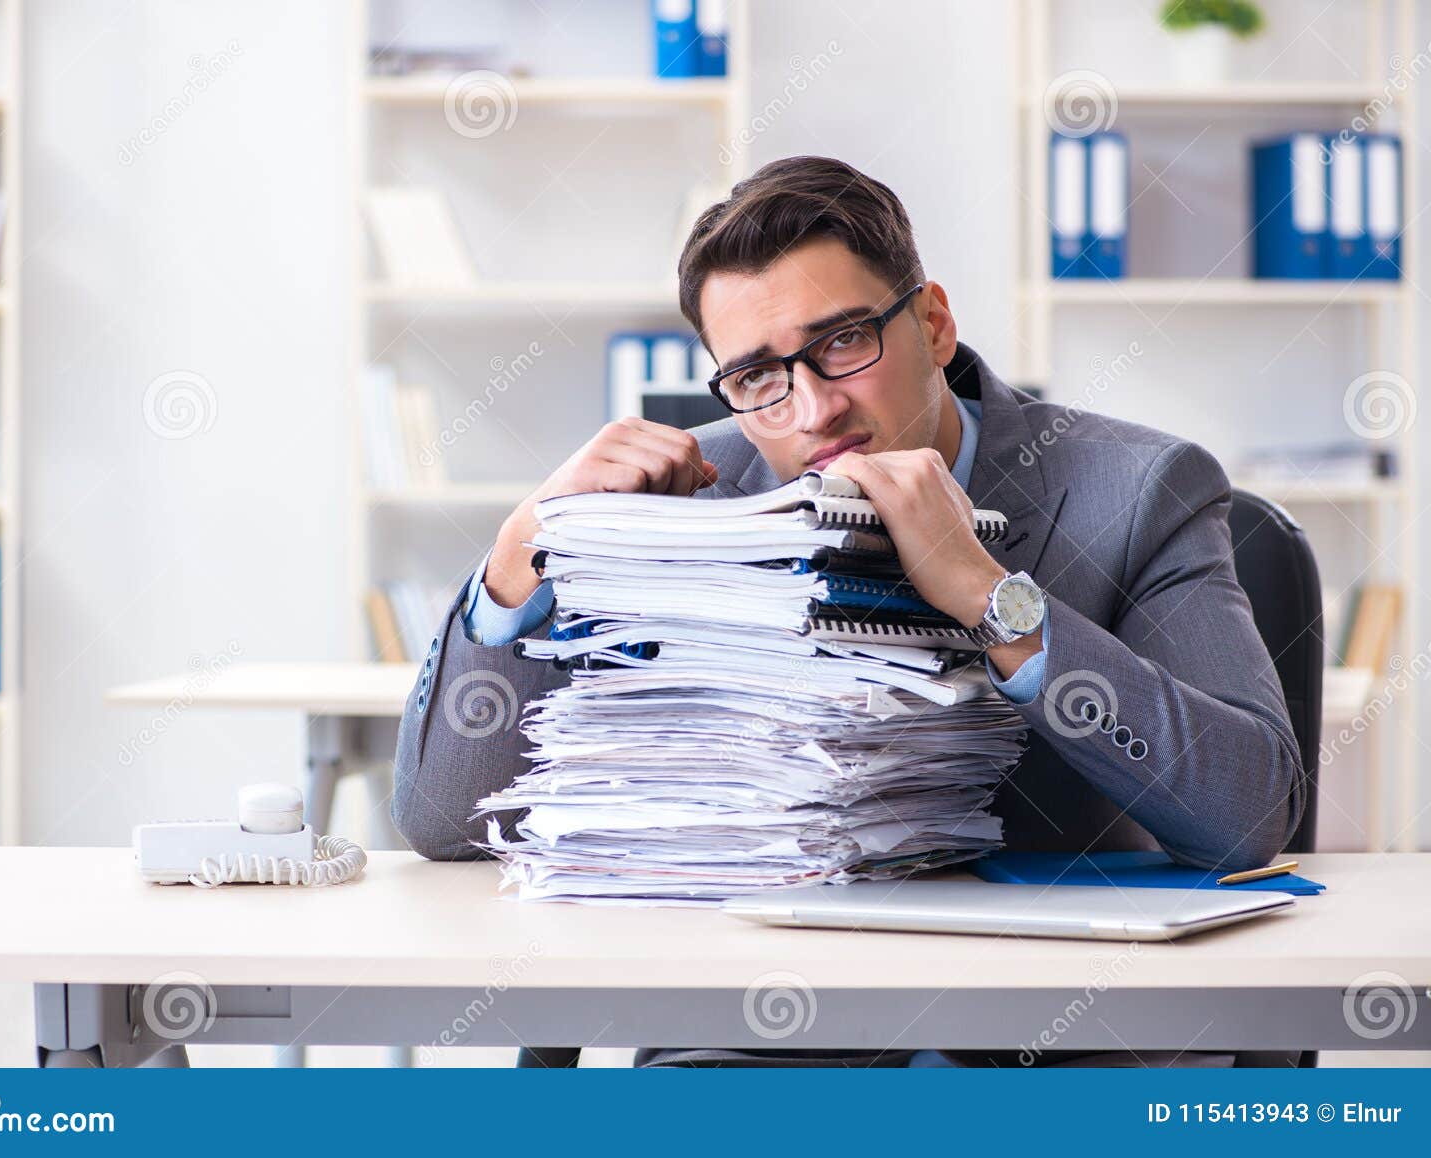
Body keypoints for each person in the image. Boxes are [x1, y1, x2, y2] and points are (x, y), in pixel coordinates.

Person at [391, 155, 1306, 1067]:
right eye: (757, 377)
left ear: (935, 324)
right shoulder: (686, 502)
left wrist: (993, 598)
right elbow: (440, 820)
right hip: (749, 1037)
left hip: (1048, 1033)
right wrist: (518, 557)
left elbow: (1245, 814)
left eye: (842, 342)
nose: (814, 408)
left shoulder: (1138, 489)